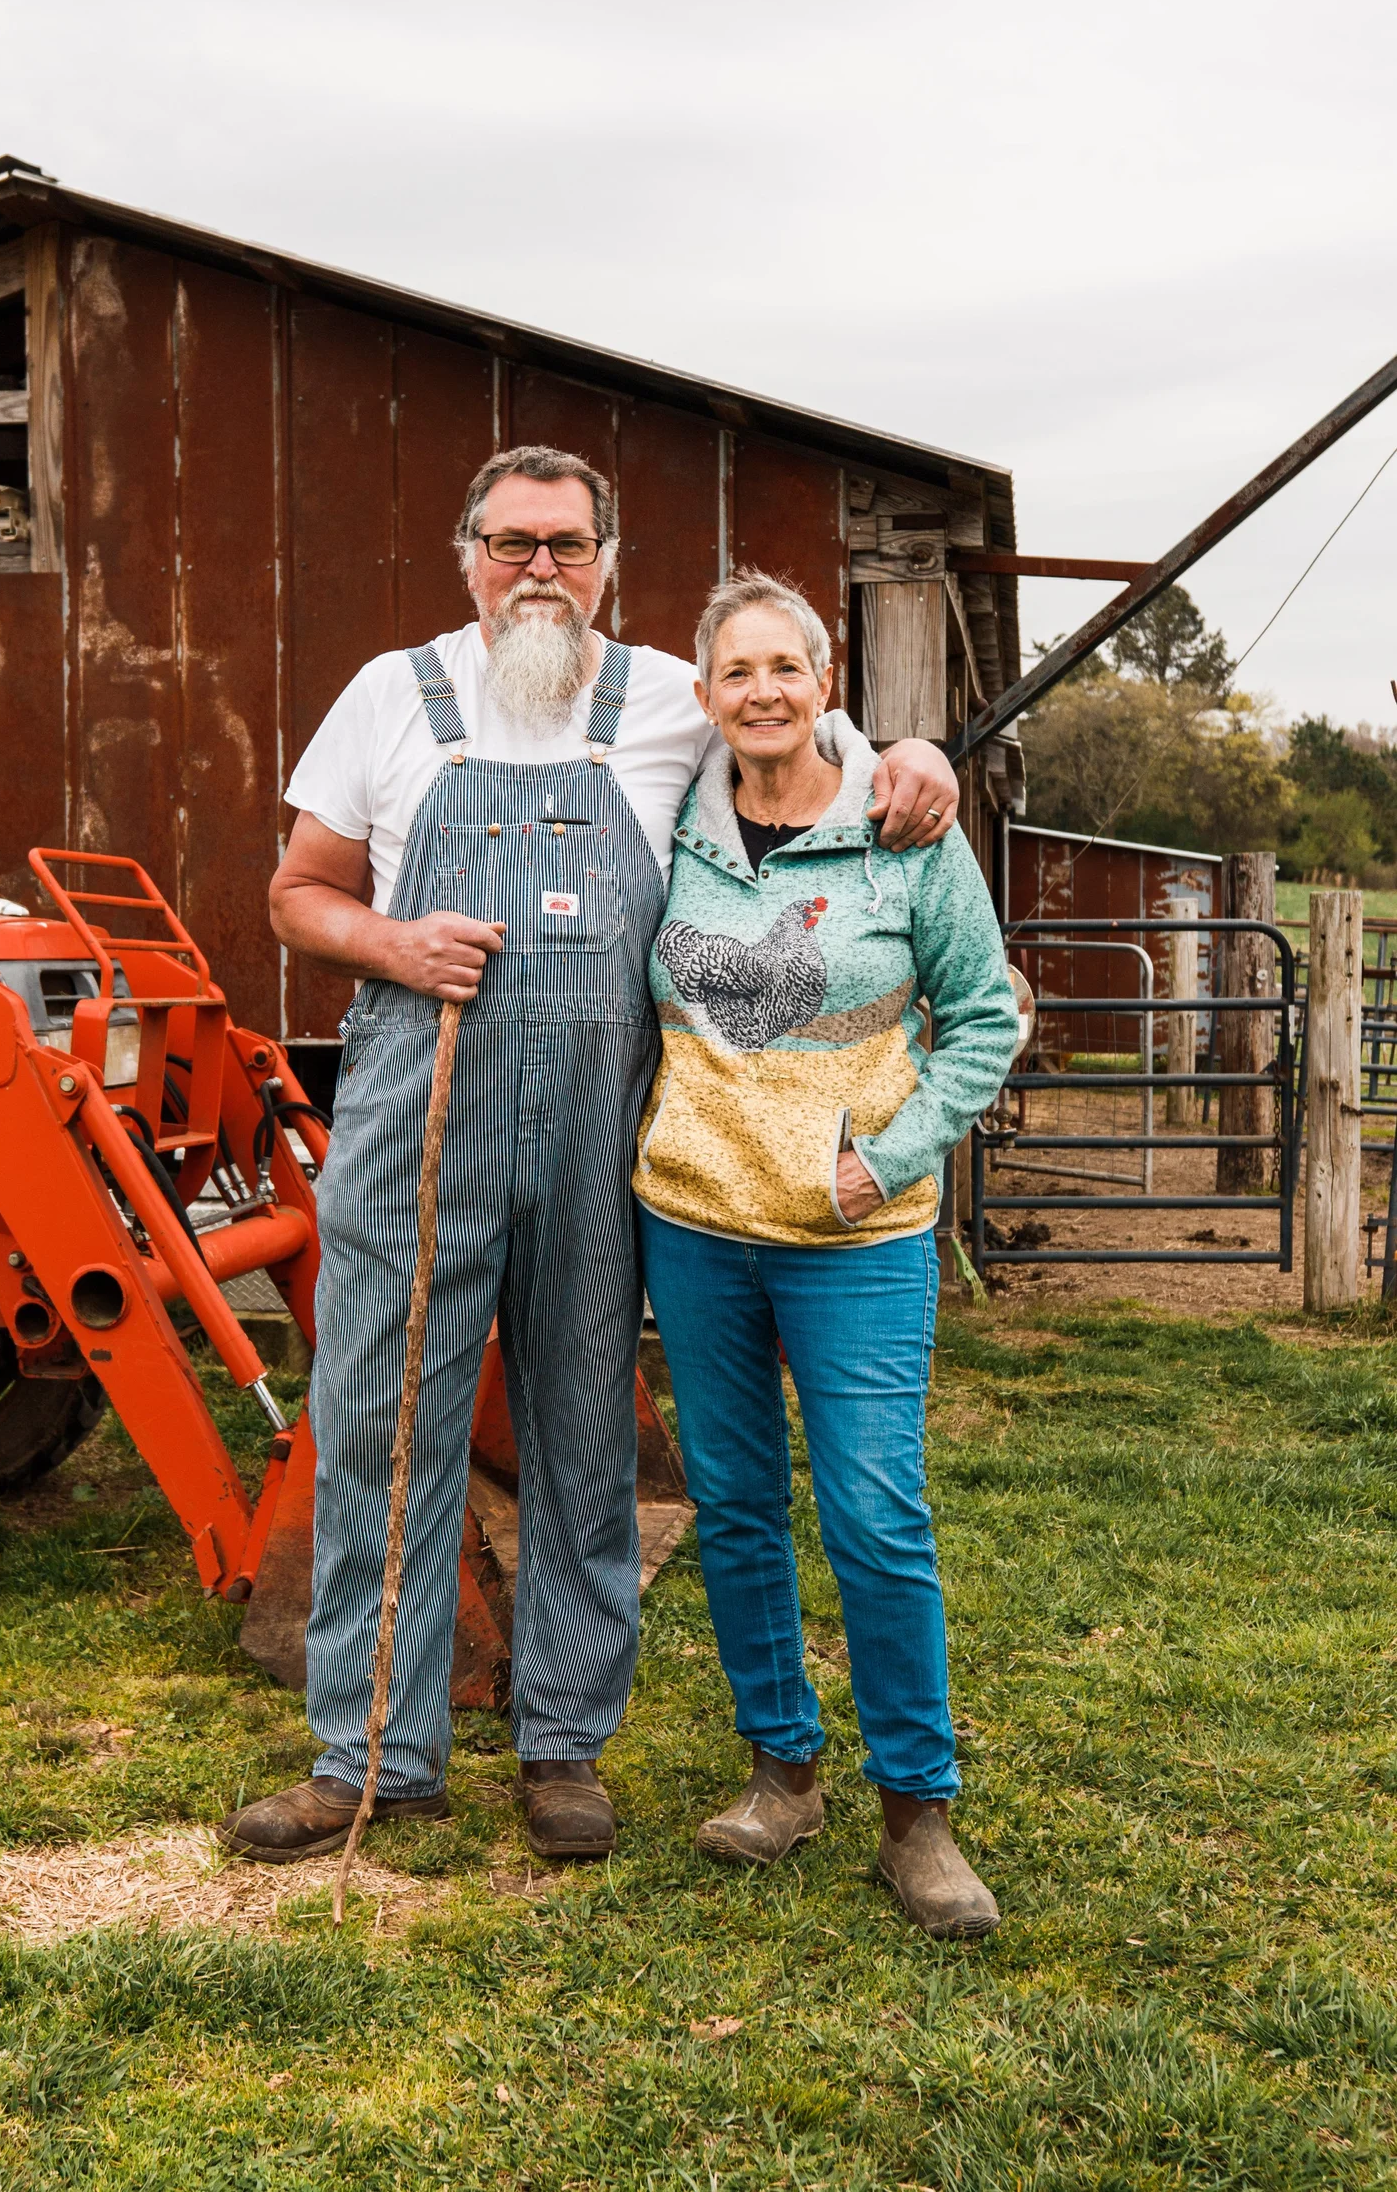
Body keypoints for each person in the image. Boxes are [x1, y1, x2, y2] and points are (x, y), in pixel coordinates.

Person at [219, 448, 962, 1867]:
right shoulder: (393, 694)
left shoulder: (671, 704)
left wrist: (913, 754)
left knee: (574, 1425)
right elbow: (296, 892)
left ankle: (565, 1746)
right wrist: (392, 940)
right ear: (469, 555)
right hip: (417, 1113)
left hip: (598, 1125)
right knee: (384, 1418)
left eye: (566, 543)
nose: (538, 568)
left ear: (610, 561)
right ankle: (367, 1751)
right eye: (511, 543)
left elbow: (837, 754)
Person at [634, 570, 1017, 1936]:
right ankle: (780, 1771)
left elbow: (986, 1013)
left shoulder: (901, 825)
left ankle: (919, 1814)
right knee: (736, 1508)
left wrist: (891, 1157)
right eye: (735, 673)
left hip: (853, 1239)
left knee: (874, 1513)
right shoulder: (673, 817)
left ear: (825, 680)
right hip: (694, 1226)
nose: (762, 693)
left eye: (784, 668)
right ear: (705, 696)